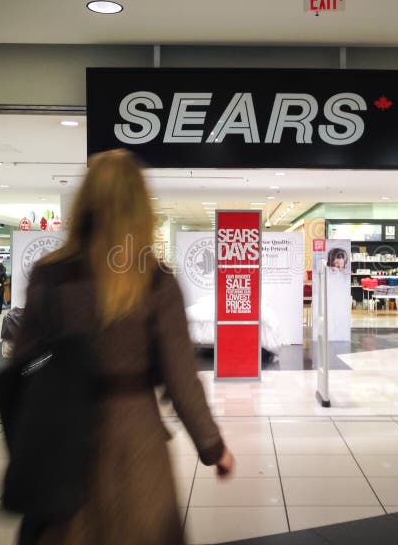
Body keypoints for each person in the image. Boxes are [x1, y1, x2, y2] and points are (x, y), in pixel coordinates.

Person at [13, 149, 234, 544]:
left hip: (64, 444)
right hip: (135, 440)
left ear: (85, 203)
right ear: (140, 207)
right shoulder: (155, 280)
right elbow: (181, 380)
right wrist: (213, 448)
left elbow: (24, 366)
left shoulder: (49, 274)